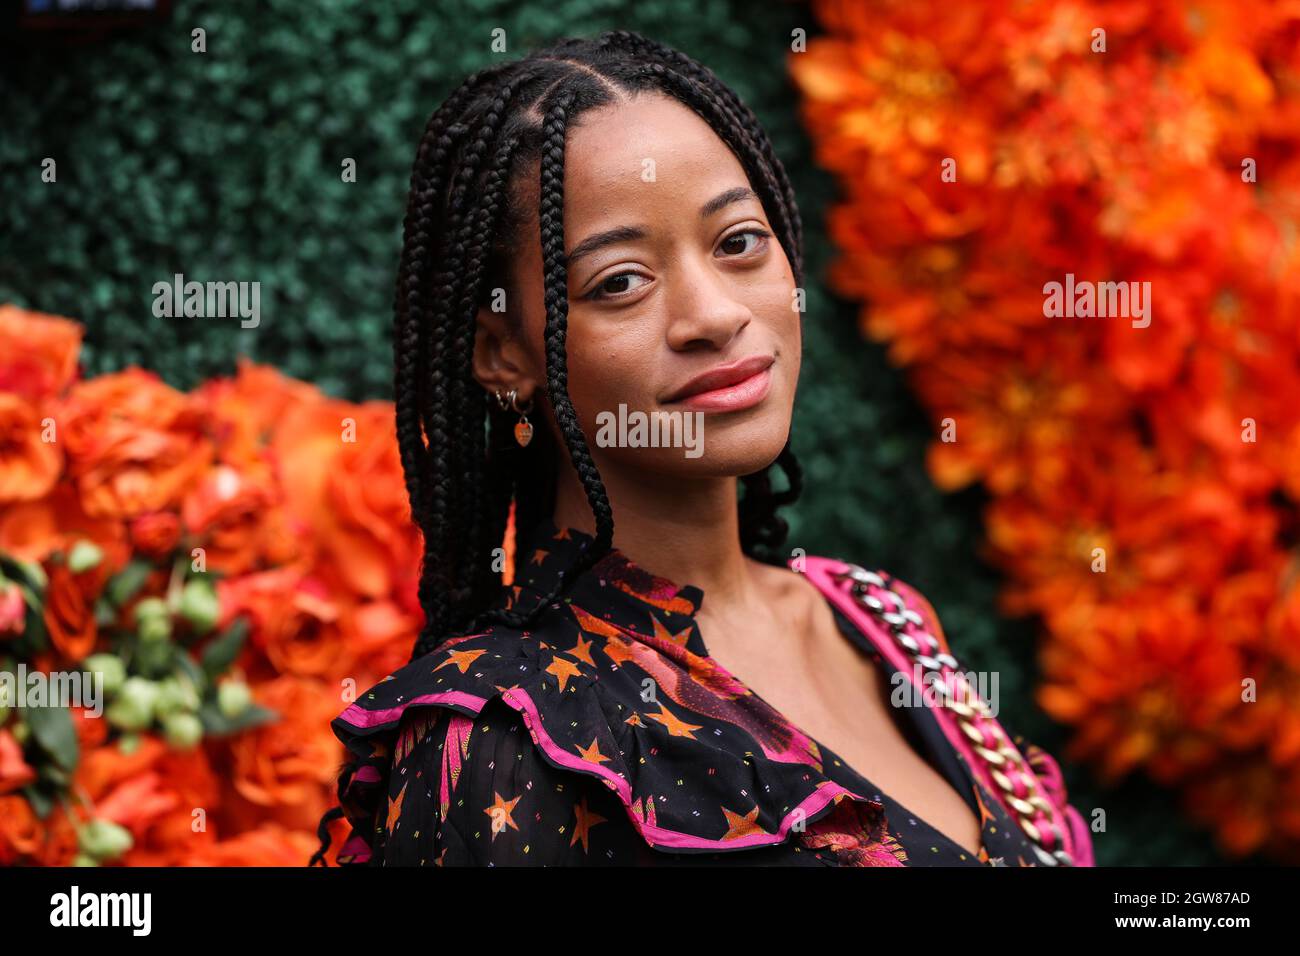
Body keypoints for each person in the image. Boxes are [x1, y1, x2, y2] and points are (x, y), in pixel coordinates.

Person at [309, 30, 1093, 868]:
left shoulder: (879, 618)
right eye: (621, 282)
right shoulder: (501, 734)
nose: (715, 313)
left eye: (737, 243)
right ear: (505, 349)